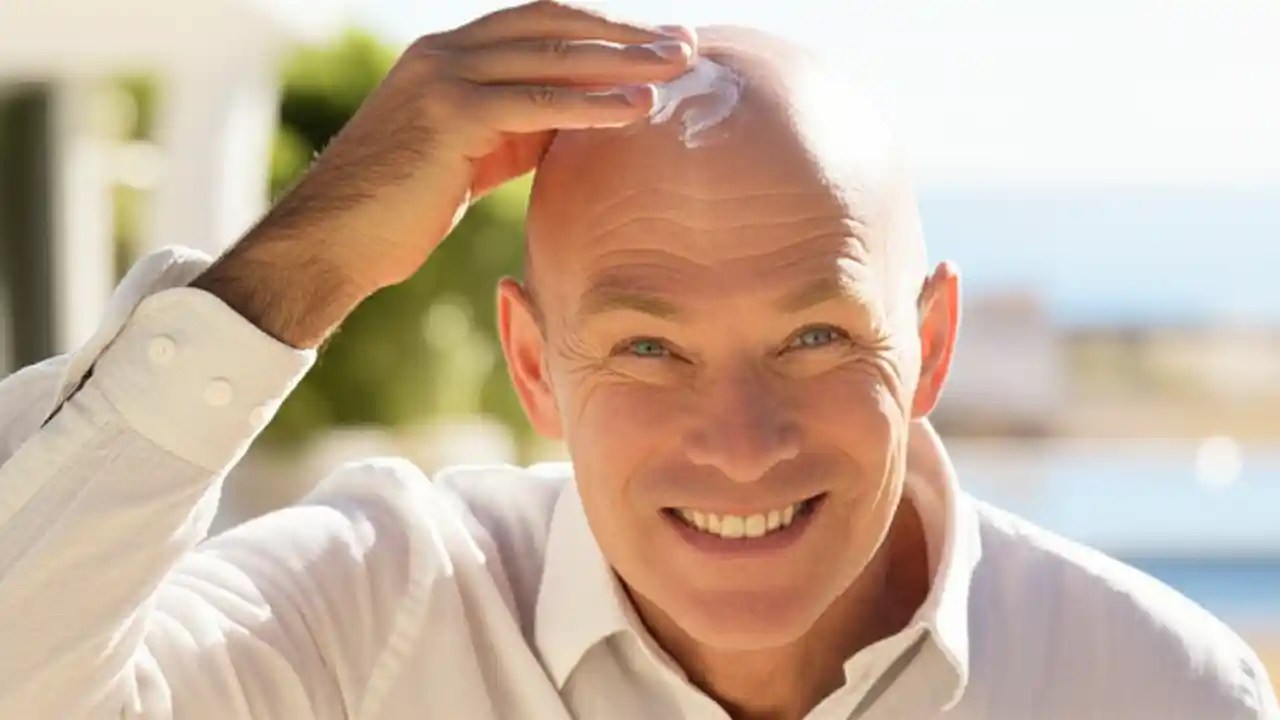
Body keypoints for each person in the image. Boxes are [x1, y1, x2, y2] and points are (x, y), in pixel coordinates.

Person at [0, 3, 1274, 719]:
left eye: (815, 336)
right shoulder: (367, 619)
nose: (738, 440)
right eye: (646, 347)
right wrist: (299, 264)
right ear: (533, 365)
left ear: (928, 345)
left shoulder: (1154, 690)